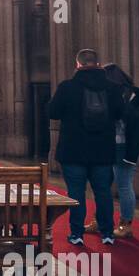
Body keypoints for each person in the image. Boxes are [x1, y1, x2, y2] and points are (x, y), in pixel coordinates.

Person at [47, 47, 125, 247]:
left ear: (78, 65)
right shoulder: (113, 88)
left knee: (76, 194)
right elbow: (120, 114)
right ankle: (107, 233)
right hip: (102, 151)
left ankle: (77, 234)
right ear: (98, 64)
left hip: (73, 151)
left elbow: (52, 112)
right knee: (103, 193)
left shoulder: (67, 87)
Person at [98, 63, 139, 239]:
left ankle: (124, 225)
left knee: (120, 185)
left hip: (119, 145)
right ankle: (116, 223)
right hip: (128, 145)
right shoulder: (137, 93)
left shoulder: (112, 95)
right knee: (113, 185)